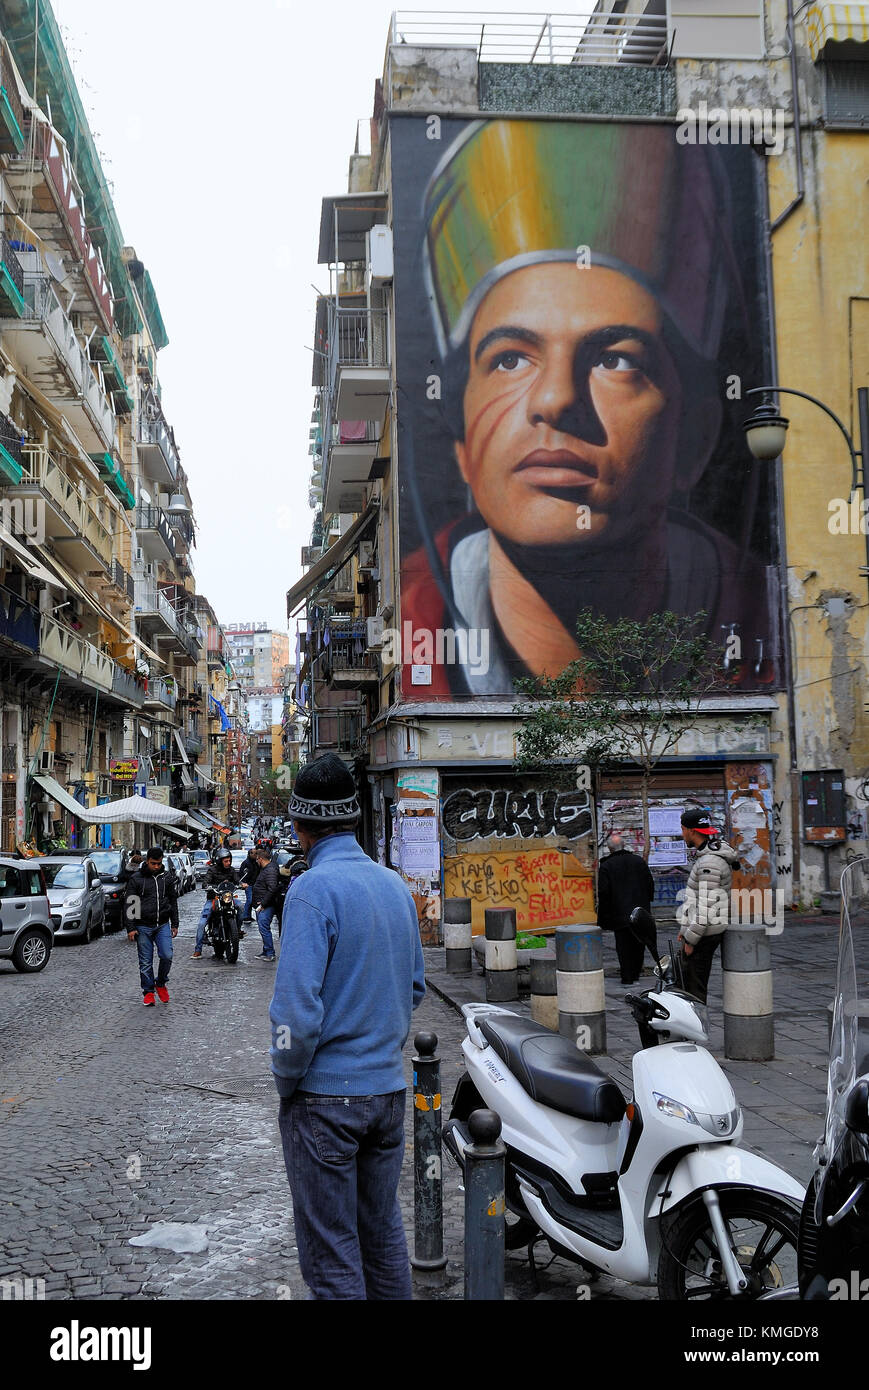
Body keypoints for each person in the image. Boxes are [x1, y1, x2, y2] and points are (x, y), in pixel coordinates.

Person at [399, 120, 779, 697]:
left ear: (697, 433)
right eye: (509, 360)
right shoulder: (409, 630)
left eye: (615, 360)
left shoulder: (771, 630)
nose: (555, 400)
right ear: (459, 440)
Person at [270, 753, 425, 1300]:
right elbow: (414, 988)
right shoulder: (394, 888)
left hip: (324, 1102)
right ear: (354, 818)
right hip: (386, 1093)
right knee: (382, 1235)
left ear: (299, 827)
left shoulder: (311, 892)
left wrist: (288, 1081)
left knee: (332, 1250)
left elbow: (293, 1015)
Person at [677, 807, 740, 1004]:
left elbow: (706, 905)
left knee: (693, 988)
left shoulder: (709, 863)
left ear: (691, 831)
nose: (682, 834)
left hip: (705, 933)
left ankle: (696, 1028)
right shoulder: (708, 855)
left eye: (683, 829)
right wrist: (684, 929)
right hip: (702, 930)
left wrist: (691, 940)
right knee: (687, 982)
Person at [596, 833, 656, 985]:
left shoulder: (607, 866)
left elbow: (604, 893)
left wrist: (604, 917)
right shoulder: (639, 861)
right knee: (639, 943)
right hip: (640, 911)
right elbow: (650, 884)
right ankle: (635, 973)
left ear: (610, 849)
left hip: (619, 913)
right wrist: (647, 902)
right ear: (623, 846)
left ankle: (627, 975)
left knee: (623, 946)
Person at [124, 845, 178, 1006]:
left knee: (167, 955)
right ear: (147, 861)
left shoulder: (166, 877)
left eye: (159, 863)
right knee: (145, 961)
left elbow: (173, 900)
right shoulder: (137, 878)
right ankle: (148, 992)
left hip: (162, 924)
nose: (156, 866)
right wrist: (131, 928)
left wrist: (175, 923)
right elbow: (130, 904)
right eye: (153, 863)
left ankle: (160, 982)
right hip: (142, 926)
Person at [192, 848, 243, 959]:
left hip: (228, 898)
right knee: (202, 922)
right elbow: (206, 882)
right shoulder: (212, 870)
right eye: (226, 861)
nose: (228, 863)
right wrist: (207, 886)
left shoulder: (232, 870)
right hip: (214, 899)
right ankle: (198, 950)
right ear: (220, 861)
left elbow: (237, 879)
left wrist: (241, 884)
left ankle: (237, 930)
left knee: (240, 906)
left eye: (229, 861)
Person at [252, 847, 280, 962]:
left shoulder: (270, 870)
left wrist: (263, 903)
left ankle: (270, 952)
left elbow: (272, 888)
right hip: (264, 903)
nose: (256, 862)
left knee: (264, 928)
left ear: (260, 859)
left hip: (266, 905)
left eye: (257, 860)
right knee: (263, 928)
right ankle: (266, 950)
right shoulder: (267, 869)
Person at [238, 847, 260, 924]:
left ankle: (248, 915)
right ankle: (245, 916)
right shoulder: (246, 863)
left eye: (256, 853)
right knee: (250, 900)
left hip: (254, 884)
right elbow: (242, 873)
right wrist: (244, 883)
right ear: (250, 854)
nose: (256, 855)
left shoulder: (255, 862)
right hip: (249, 884)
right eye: (255, 853)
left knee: (252, 900)